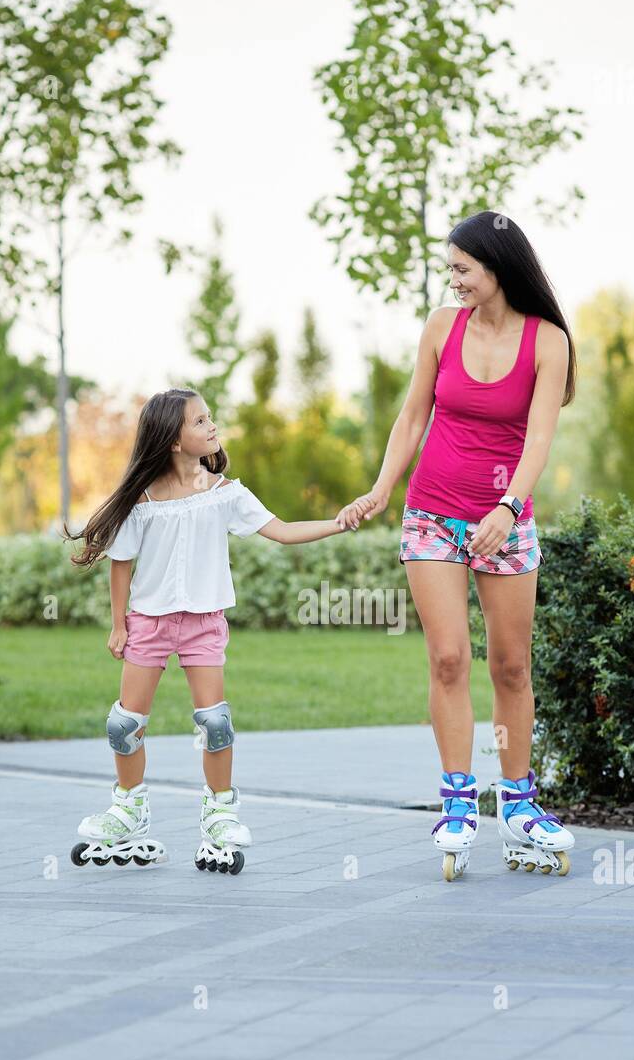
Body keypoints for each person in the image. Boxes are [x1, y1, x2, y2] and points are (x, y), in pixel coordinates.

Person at [337, 212, 577, 879]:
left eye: (463, 269)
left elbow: (538, 441)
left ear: (498, 266)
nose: (455, 280)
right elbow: (413, 414)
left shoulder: (547, 341)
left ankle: (521, 804)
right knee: (447, 659)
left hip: (504, 520)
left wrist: (508, 505)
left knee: (510, 667)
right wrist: (384, 487)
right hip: (433, 513)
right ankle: (457, 801)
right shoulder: (442, 327)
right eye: (451, 270)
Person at [67, 387, 348, 871]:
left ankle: (219, 813)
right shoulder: (143, 499)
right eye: (199, 421)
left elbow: (280, 530)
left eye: (210, 417)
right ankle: (128, 808)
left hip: (203, 624)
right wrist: (119, 625)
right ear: (173, 441)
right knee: (123, 725)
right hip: (149, 623)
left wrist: (339, 522)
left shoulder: (225, 495)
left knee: (215, 723)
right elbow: (121, 563)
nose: (212, 426)